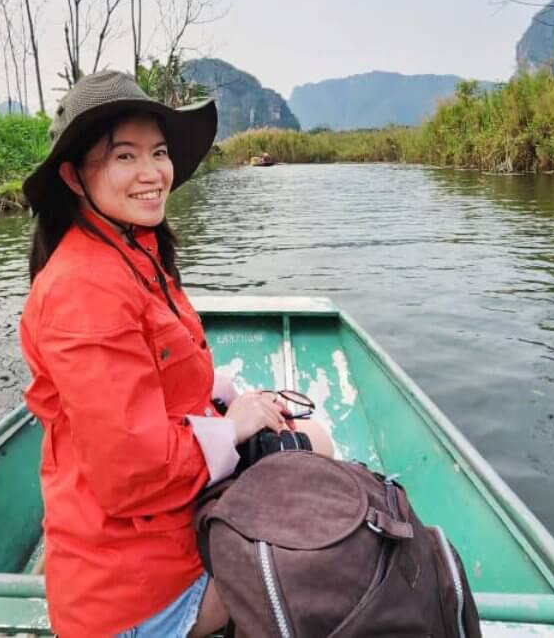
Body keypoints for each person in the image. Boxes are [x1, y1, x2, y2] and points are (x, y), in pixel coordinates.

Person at [18, 71, 331, 638]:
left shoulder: (133, 250)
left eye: (158, 153)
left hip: (157, 537)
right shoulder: (83, 289)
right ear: (73, 175)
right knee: (332, 541)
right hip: (138, 597)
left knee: (313, 448)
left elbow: (168, 371)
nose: (151, 173)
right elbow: (131, 472)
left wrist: (232, 397)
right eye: (124, 156)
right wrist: (233, 429)